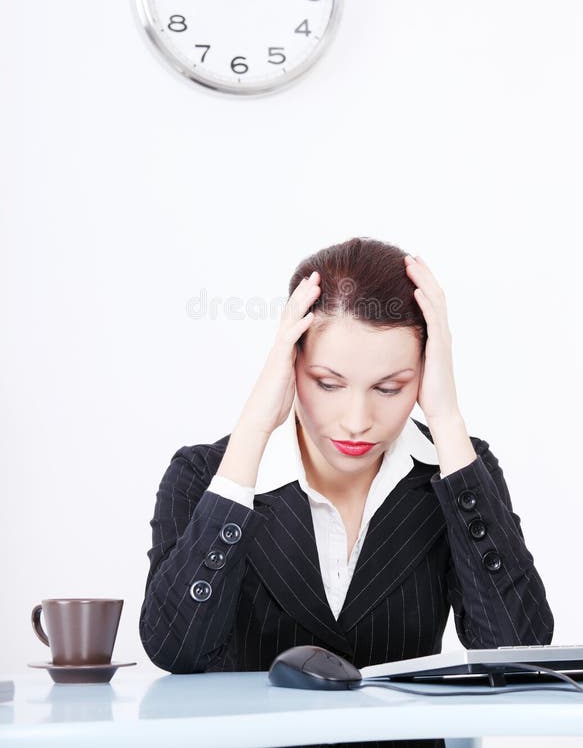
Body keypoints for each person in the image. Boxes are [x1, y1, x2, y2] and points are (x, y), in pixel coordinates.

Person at [139, 236, 554, 748]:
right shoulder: (206, 475)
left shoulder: (458, 471)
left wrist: (447, 420)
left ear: (425, 374)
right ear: (289, 366)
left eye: (390, 387)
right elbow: (174, 650)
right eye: (328, 383)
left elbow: (519, 651)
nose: (357, 422)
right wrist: (252, 429)